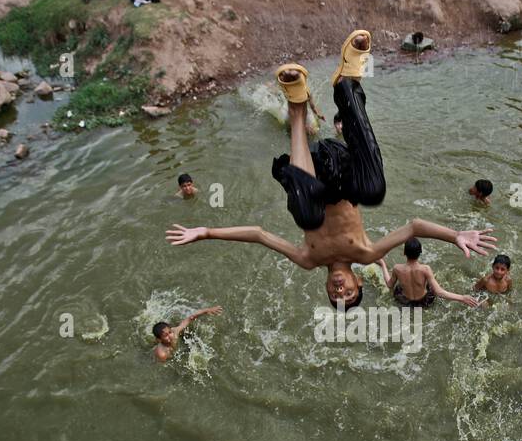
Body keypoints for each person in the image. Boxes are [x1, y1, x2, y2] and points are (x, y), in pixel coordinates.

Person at [167, 29, 497, 309]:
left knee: (307, 216)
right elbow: (414, 227)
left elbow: (258, 235)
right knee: (374, 191)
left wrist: (206, 232)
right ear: (358, 282)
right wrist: (455, 235)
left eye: (334, 294)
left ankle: (296, 104)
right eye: (349, 292)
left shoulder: (308, 259)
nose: (339, 290)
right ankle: (347, 81)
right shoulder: (366, 254)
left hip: (309, 173)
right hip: (344, 170)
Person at [378, 238, 480, 308]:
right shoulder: (425, 269)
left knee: (399, 286)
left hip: (405, 301)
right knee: (433, 283)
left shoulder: (397, 269)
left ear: (404, 253)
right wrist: (462, 298)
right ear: (420, 252)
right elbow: (439, 292)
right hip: (424, 302)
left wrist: (382, 264)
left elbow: (389, 285)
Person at [152, 305, 221, 362]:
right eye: (165, 336)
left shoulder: (175, 332)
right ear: (159, 339)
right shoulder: (162, 353)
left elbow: (190, 318)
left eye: (169, 332)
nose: (170, 336)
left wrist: (207, 310)